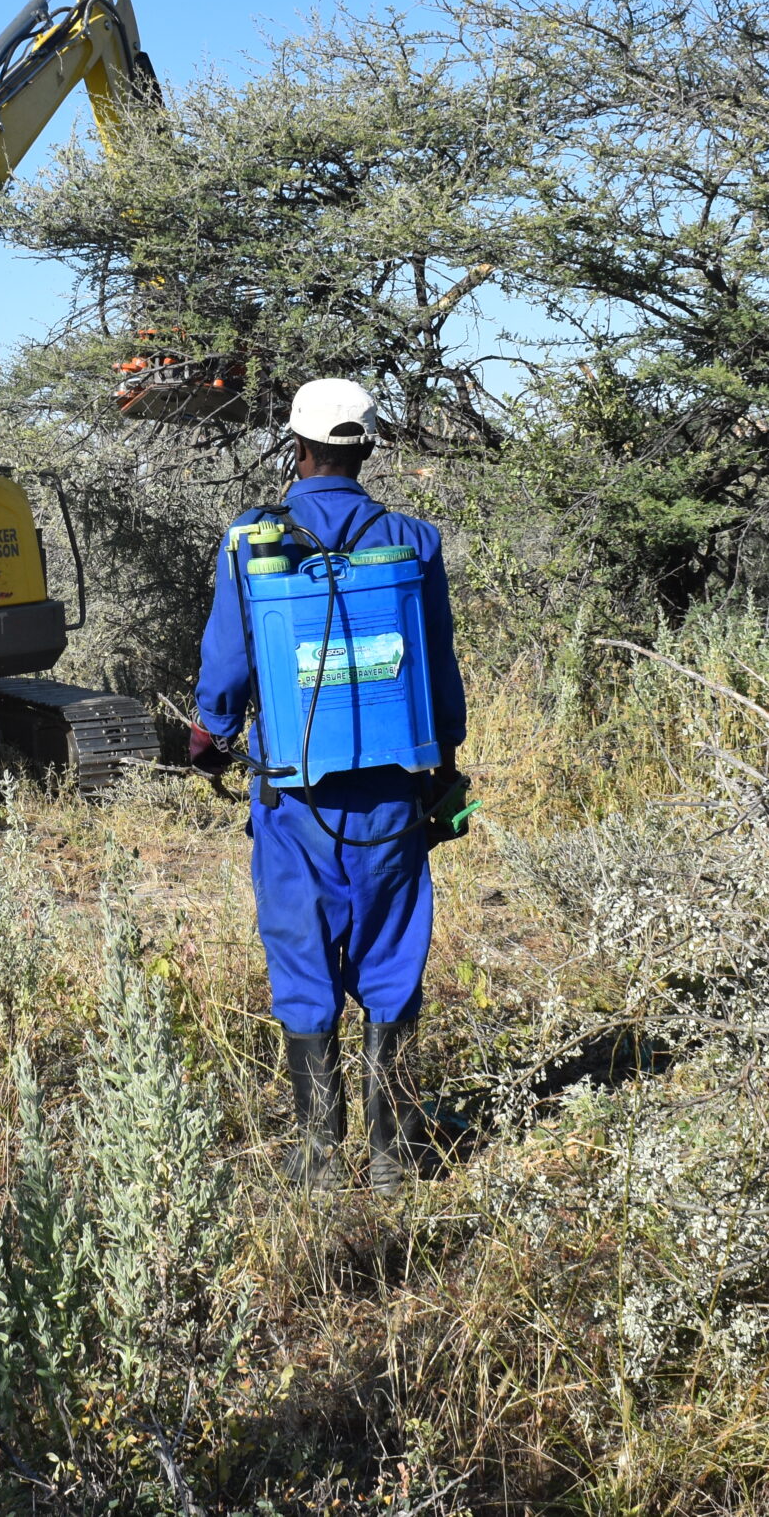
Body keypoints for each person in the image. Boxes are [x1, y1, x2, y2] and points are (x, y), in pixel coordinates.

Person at [188, 378, 466, 1191]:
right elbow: (439, 669)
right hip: (393, 799)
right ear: (366, 449)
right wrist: (446, 765)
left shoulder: (253, 540)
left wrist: (210, 736)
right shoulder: (412, 540)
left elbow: (227, 666)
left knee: (302, 960)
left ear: (296, 447)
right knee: (392, 958)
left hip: (293, 801)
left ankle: (317, 1158)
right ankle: (391, 1156)